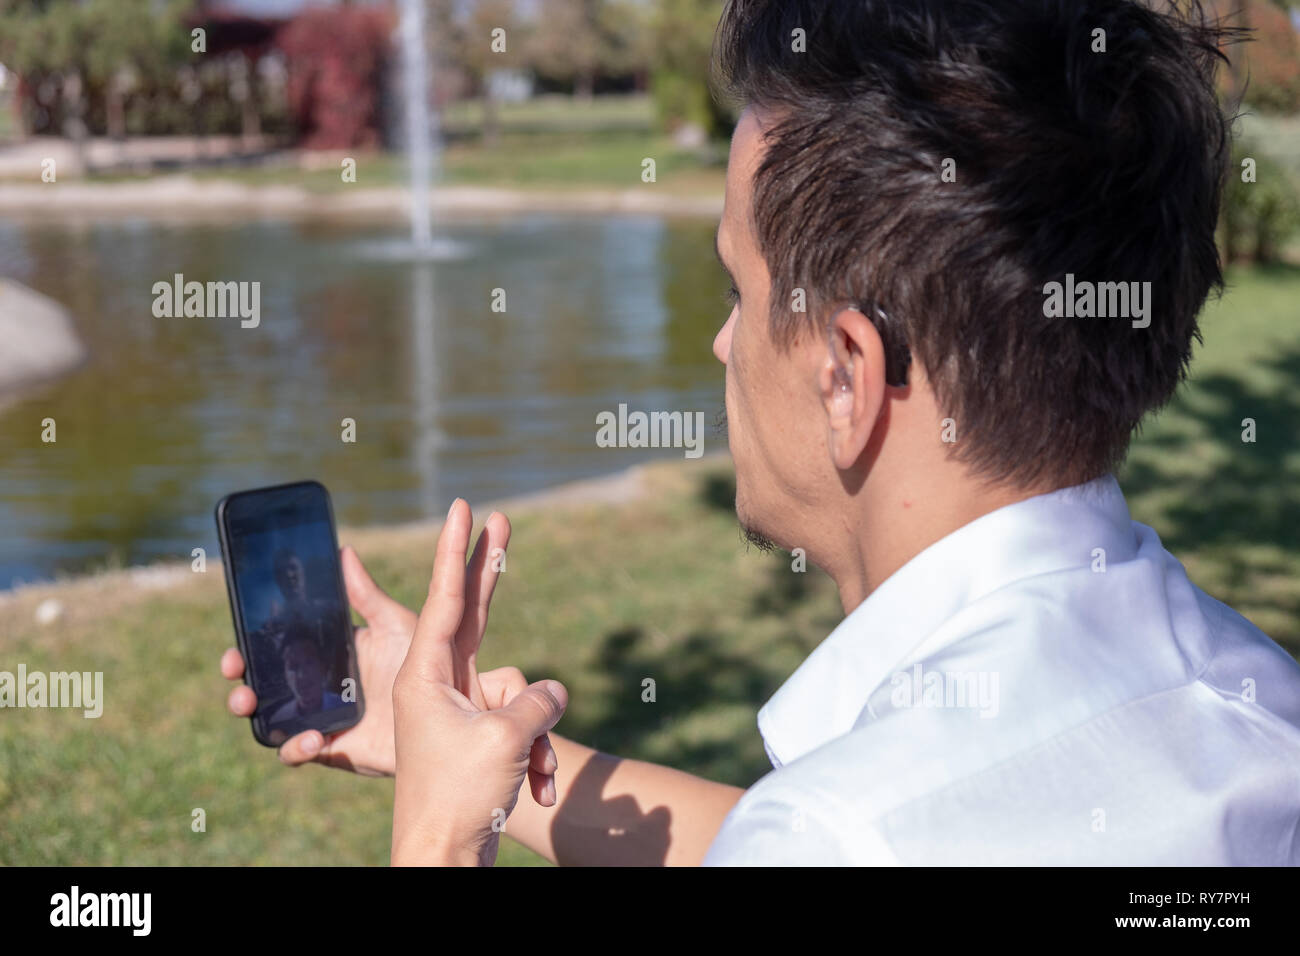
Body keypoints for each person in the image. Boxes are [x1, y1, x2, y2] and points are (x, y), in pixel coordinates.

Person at [222, 0, 1300, 865]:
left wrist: (440, 830)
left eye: (736, 290)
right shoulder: (1261, 705)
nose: (721, 344)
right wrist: (481, 750)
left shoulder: (838, 830)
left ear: (845, 374)